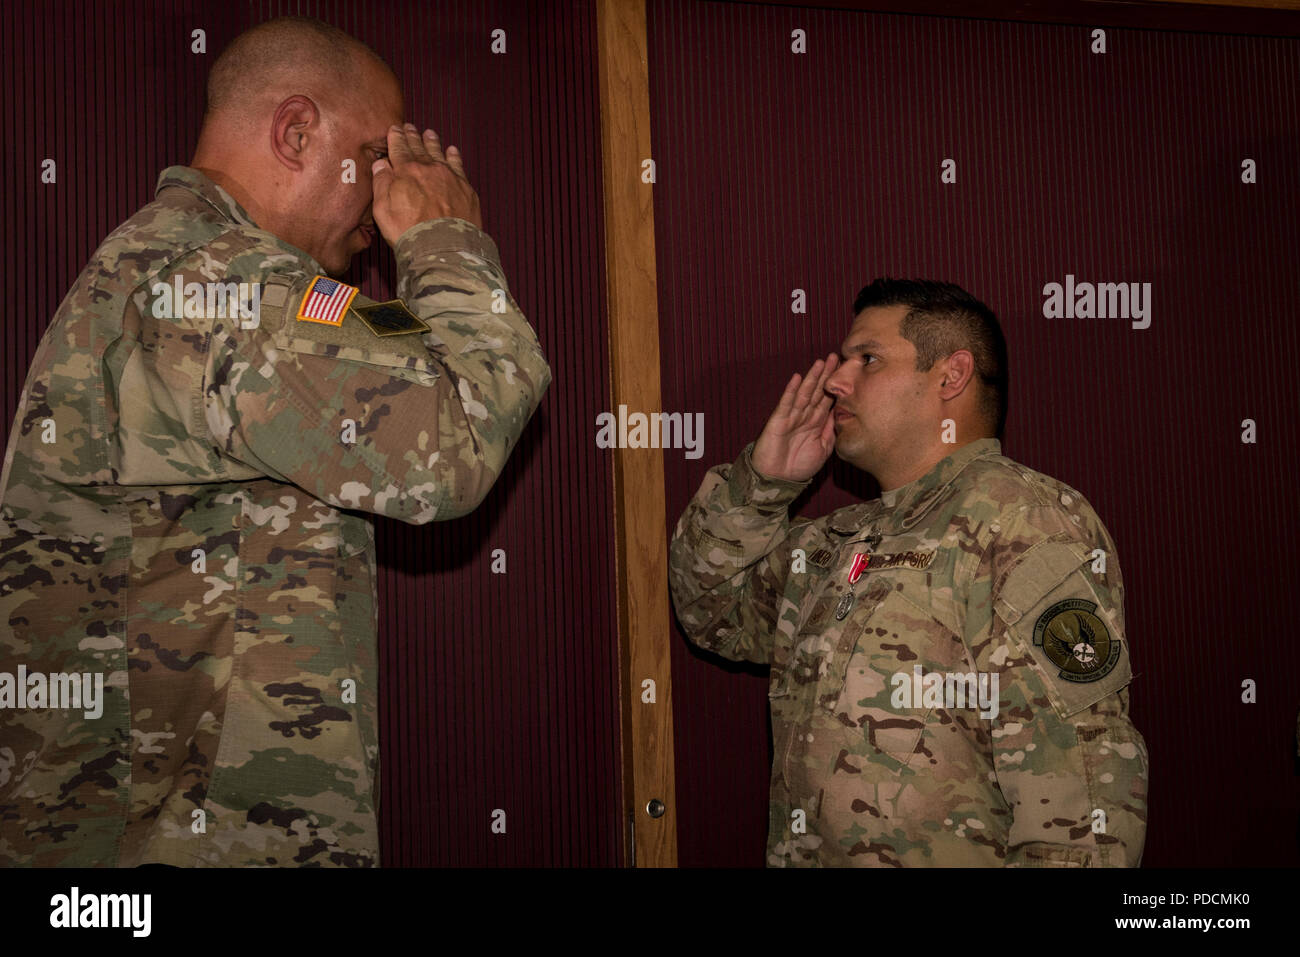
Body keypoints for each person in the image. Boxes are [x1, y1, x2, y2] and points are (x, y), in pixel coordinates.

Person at [0, 16, 550, 867]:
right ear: (297, 131)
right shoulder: (217, 282)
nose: (382, 199)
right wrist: (449, 240)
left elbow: (394, 367)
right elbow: (459, 435)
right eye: (377, 158)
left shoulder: (194, 272)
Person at [668, 279, 1146, 866]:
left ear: (951, 376)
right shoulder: (835, 540)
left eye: (867, 359)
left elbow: (1081, 808)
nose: (836, 381)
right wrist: (762, 487)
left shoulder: (1019, 524)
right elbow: (711, 610)